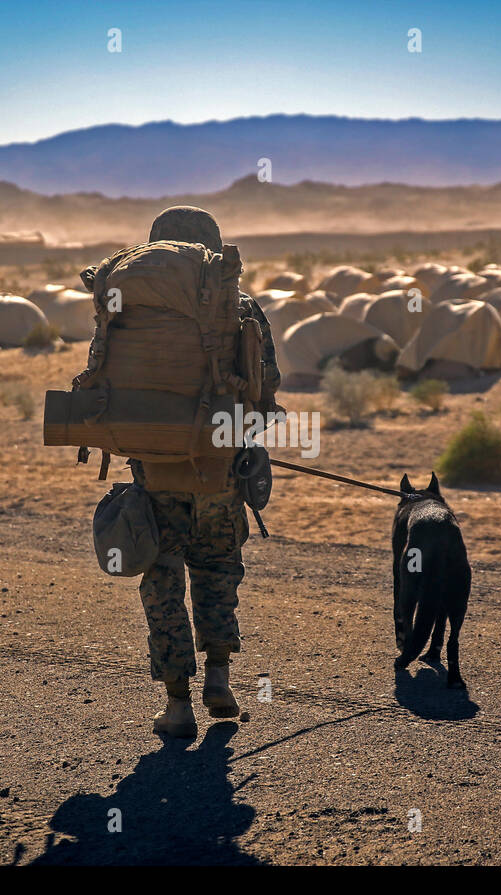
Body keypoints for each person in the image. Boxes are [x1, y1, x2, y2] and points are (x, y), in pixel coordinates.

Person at [131, 206, 281, 737]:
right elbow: (268, 385)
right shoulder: (239, 305)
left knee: (163, 581)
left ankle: (177, 707)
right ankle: (219, 678)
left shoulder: (130, 307)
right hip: (219, 473)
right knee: (218, 576)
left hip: (156, 476)